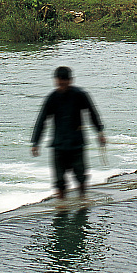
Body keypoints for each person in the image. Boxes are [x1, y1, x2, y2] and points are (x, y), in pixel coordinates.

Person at [32, 65, 106, 198]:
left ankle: (83, 203)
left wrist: (99, 132)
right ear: (55, 81)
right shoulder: (52, 98)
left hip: (76, 144)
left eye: (64, 82)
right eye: (59, 82)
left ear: (70, 80)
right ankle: (62, 209)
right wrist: (35, 143)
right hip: (59, 145)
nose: (61, 85)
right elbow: (42, 120)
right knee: (59, 181)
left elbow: (92, 113)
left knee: (81, 177)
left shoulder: (80, 95)